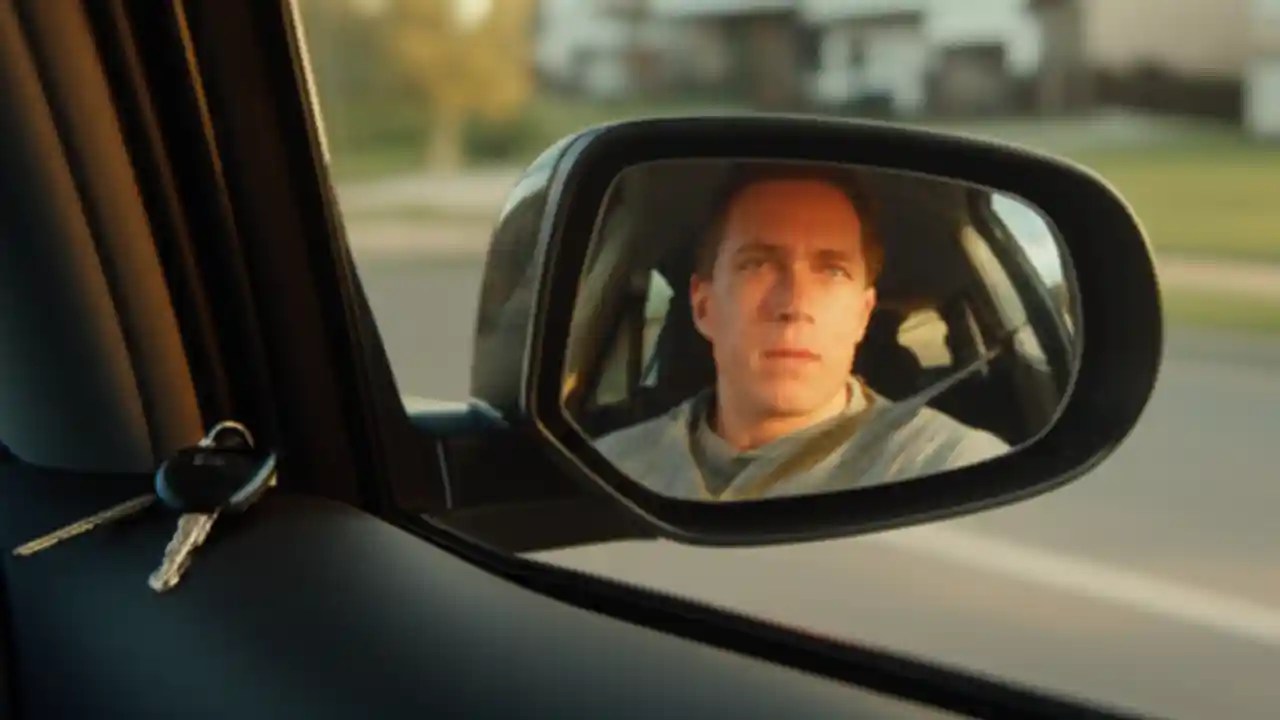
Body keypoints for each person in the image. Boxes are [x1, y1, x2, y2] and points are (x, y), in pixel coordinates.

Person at [594, 167, 1010, 501]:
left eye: (832, 271)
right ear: (704, 307)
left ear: (862, 315)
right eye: (757, 264)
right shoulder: (609, 471)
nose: (793, 304)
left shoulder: (953, 471)